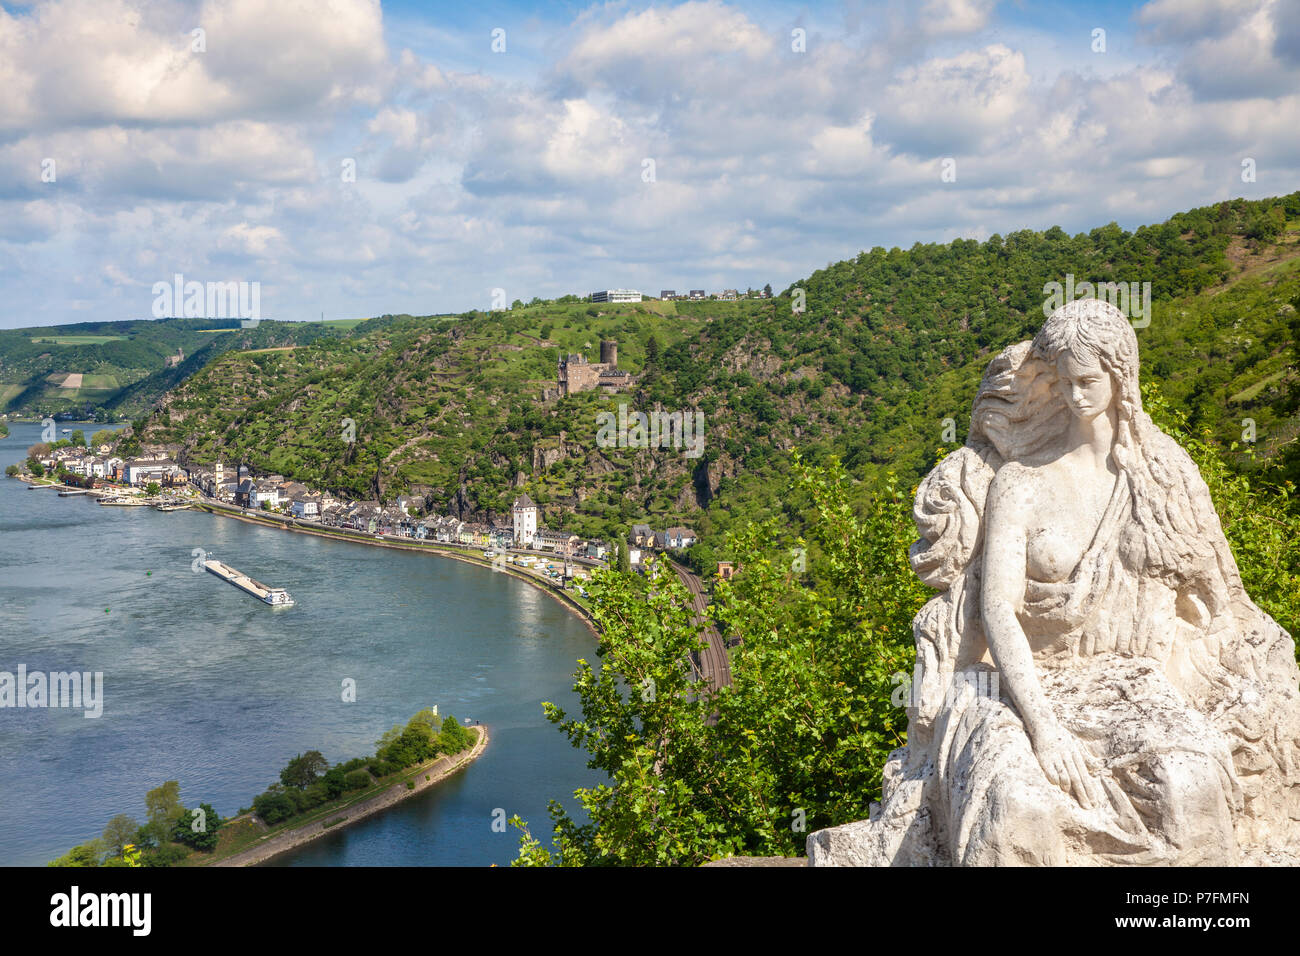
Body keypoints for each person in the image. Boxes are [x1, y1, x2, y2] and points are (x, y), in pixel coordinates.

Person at [895, 298, 1300, 865]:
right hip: (1020, 687)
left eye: (1089, 380)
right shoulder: (1020, 481)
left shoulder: (1163, 475)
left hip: (1132, 684)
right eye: (1063, 382)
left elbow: (1219, 597)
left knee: (1190, 788)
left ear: (1121, 377)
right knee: (1020, 807)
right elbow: (999, 612)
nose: (1075, 395)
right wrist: (1043, 728)